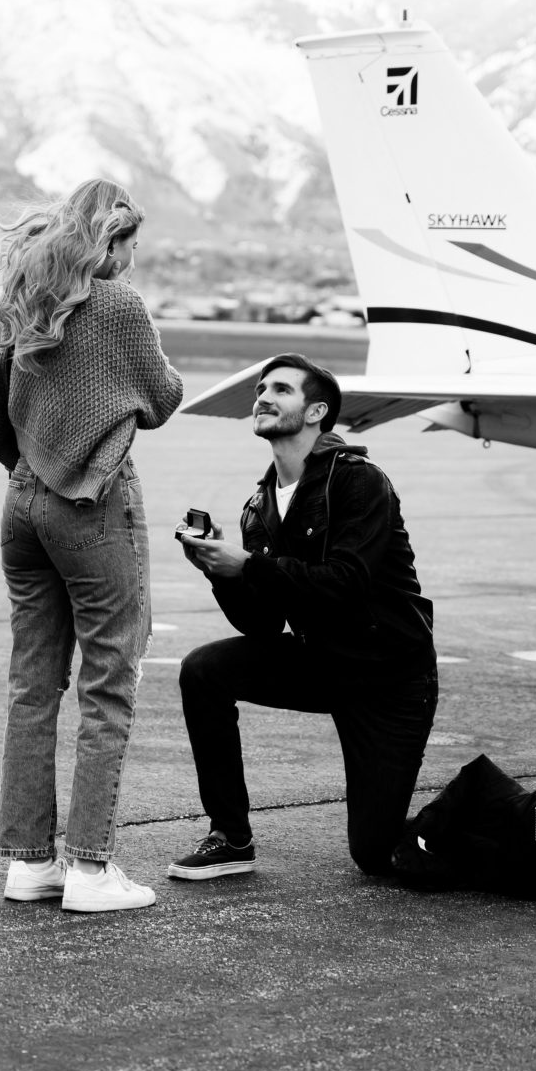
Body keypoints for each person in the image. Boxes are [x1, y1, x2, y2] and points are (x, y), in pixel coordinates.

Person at [0, 178, 183, 912]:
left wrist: (35, 466)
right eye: (130, 243)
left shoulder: (33, 301)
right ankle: (90, 870)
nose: (134, 256)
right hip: (92, 502)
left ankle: (28, 864)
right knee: (108, 684)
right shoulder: (117, 304)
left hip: (22, 505)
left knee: (34, 686)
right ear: (108, 241)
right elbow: (161, 397)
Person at [170, 354, 437, 881]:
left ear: (316, 411)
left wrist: (252, 565)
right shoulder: (260, 505)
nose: (263, 397)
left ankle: (518, 826)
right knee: (204, 669)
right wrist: (222, 571)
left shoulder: (359, 481)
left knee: (379, 855)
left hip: (389, 676)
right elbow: (263, 626)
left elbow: (346, 582)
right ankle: (231, 837)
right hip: (326, 664)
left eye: (282, 391)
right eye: (262, 389)